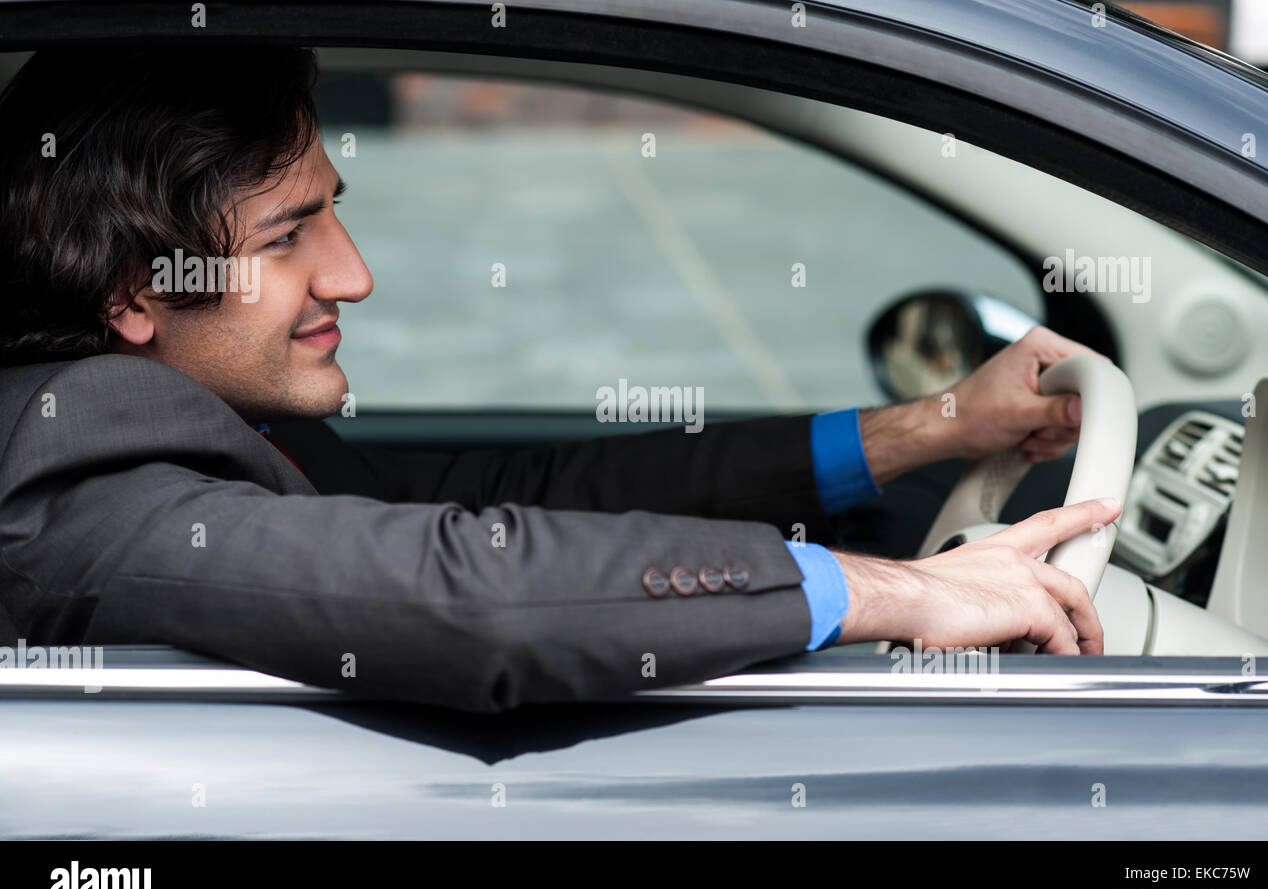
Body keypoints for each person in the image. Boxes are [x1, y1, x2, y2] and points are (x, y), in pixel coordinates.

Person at [0, 46, 1119, 712]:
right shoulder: (78, 477)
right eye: (291, 234)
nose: (354, 273)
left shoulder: (172, 411)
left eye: (337, 210)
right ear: (135, 295)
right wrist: (896, 592)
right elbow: (471, 595)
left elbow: (519, 489)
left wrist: (933, 423)